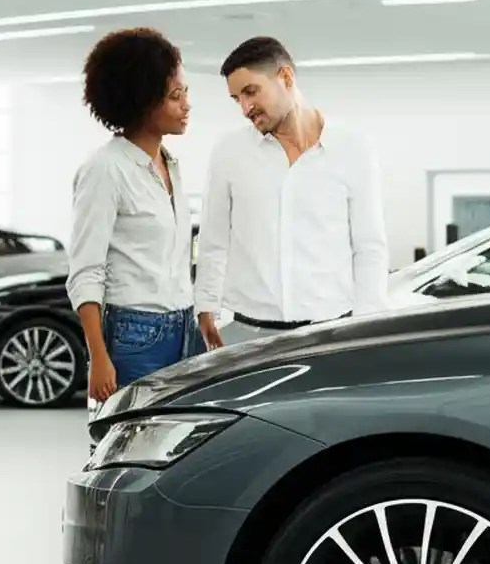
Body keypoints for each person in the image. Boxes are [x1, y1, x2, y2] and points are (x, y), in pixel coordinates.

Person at [194, 36, 389, 348]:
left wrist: (367, 325)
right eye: (236, 99)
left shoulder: (353, 149)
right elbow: (213, 241)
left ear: (285, 77)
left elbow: (369, 248)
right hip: (246, 335)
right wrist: (205, 307)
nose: (245, 108)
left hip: (330, 333)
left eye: (250, 91)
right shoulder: (229, 152)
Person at [66, 28, 201, 403]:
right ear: (142, 100)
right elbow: (85, 272)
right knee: (131, 448)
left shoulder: (170, 166)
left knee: (177, 450)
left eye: (185, 92)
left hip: (185, 329)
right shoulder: (105, 170)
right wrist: (98, 356)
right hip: (136, 335)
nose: (187, 104)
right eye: (176, 95)